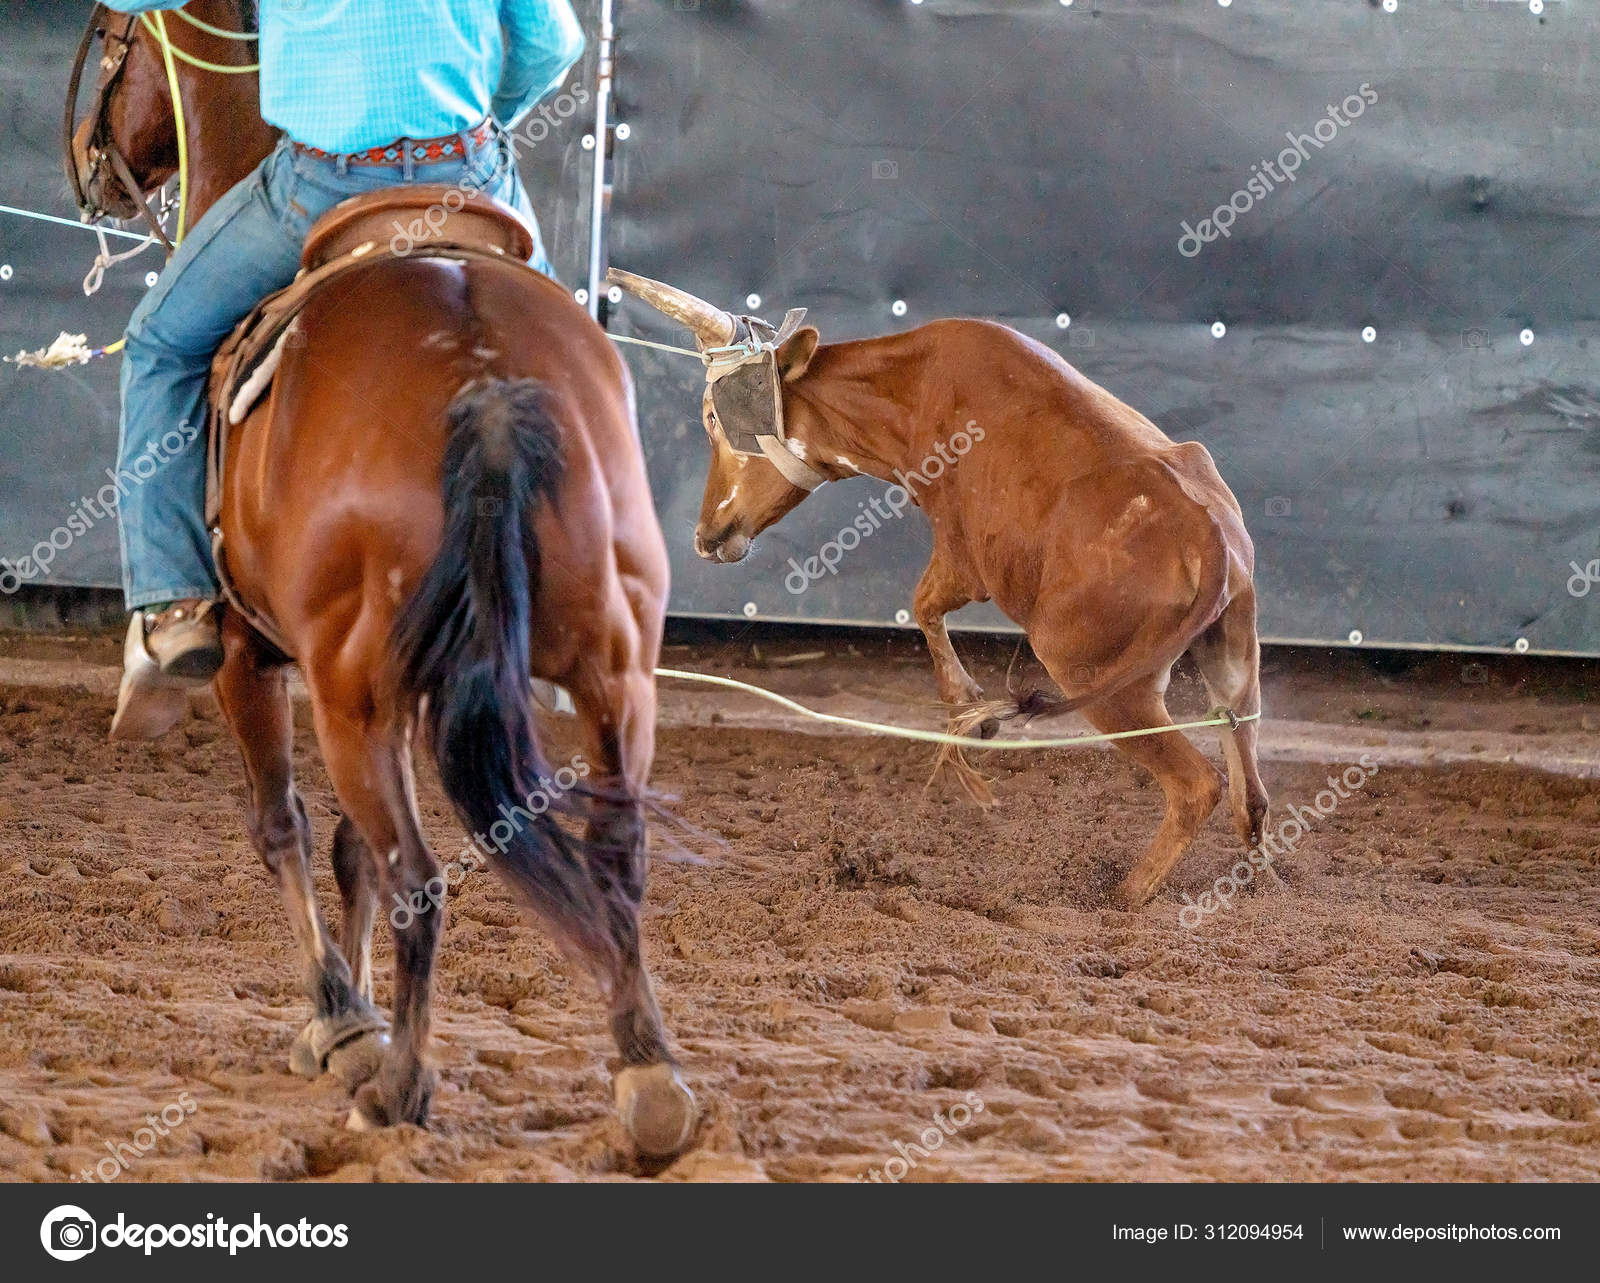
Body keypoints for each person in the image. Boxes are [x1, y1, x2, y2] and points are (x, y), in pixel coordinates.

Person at [103, 0, 584, 736]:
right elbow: (553, 44)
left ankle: (174, 606)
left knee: (158, 345)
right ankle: (576, 583)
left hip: (323, 186)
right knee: (574, 358)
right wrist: (481, 123)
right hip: (469, 174)